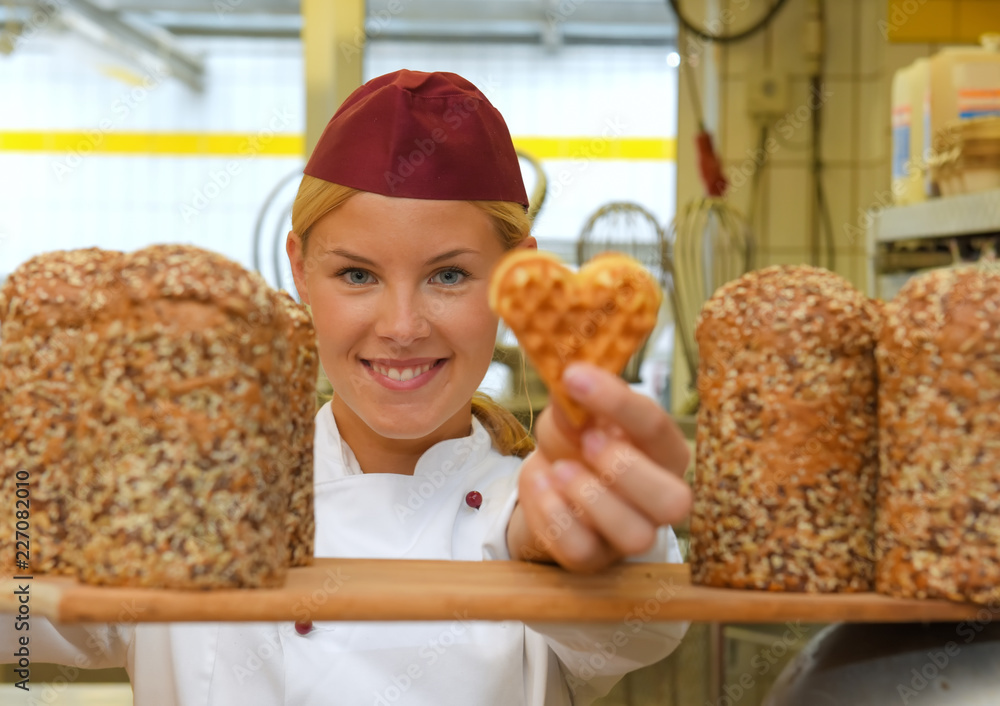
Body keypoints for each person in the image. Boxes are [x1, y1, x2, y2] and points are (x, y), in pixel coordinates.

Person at [6, 70, 693, 705]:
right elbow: (21, 630)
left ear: (518, 279)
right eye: (357, 275)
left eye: (449, 275)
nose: (401, 327)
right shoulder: (175, 503)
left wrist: (592, 538)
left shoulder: (528, 506)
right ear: (300, 271)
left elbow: (635, 627)